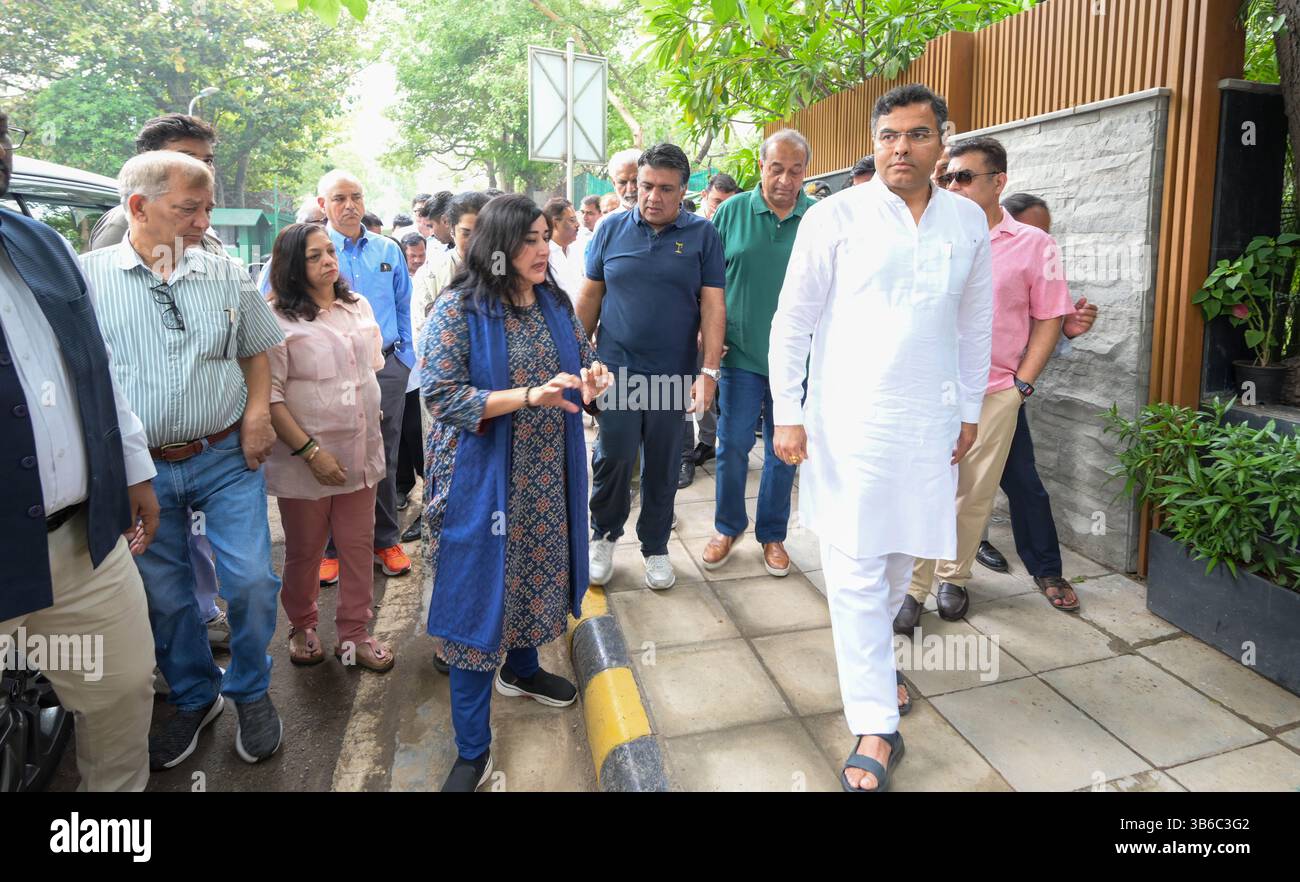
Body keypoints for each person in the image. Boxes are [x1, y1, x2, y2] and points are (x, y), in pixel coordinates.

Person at [769, 84, 993, 791]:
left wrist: (965, 410)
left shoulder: (967, 223)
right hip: (851, 425)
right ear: (874, 142)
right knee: (858, 573)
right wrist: (787, 410)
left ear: (942, 142)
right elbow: (793, 320)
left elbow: (975, 322)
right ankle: (875, 723)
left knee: (903, 559)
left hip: (927, 426)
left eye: (917, 135)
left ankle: (876, 669)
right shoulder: (835, 216)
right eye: (889, 135)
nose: (902, 147)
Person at [82, 150, 286, 769]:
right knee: (166, 596)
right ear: (139, 208)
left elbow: (257, 350)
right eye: (188, 209)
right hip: (140, 471)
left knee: (250, 579)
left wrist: (256, 414)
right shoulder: (86, 281)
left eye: (206, 208)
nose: (202, 222)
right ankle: (197, 695)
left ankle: (249, 688)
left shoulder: (223, 273)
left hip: (223, 455)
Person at [421, 194, 610, 790]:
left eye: (544, 236)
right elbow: (442, 397)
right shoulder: (460, 308)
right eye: (528, 239)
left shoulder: (553, 301)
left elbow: (581, 369)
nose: (543, 247)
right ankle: (473, 750)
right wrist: (530, 395)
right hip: (480, 482)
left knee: (534, 575)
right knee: (477, 606)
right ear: (497, 247)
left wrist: (592, 382)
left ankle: (523, 670)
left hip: (547, 474)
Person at [0, 110, 158, 790]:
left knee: (122, 699)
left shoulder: (41, 246)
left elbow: (98, 367)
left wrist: (133, 469)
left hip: (81, 548)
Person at [902, 136, 1076, 627]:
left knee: (973, 491)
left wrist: (1021, 386)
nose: (952, 185)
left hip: (996, 391)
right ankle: (912, 589)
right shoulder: (930, 233)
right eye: (947, 177)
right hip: (927, 386)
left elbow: (1050, 318)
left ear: (999, 181)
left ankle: (953, 578)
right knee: (923, 486)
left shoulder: (1035, 245)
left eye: (964, 177)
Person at [88, 113, 229, 657]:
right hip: (142, 442)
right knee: (160, 555)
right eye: (192, 159)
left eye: (208, 161)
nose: (203, 171)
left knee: (201, 546)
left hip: (208, 434)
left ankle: (201, 619)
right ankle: (176, 658)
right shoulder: (118, 236)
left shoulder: (203, 233)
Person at [578, 143, 726, 591]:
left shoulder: (702, 235)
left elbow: (713, 308)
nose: (652, 197)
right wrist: (580, 361)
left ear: (684, 191)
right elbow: (589, 298)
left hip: (671, 376)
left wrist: (709, 373)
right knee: (615, 458)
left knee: (663, 466)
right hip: (617, 372)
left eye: (665, 189)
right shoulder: (609, 230)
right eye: (645, 186)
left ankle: (656, 547)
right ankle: (603, 535)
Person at [261, 169, 416, 583]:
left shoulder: (387, 248)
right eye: (339, 198)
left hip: (381, 366)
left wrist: (405, 356)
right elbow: (269, 304)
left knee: (380, 457)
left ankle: (385, 539)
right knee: (322, 456)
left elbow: (403, 304)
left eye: (357, 197)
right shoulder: (302, 247)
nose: (350, 205)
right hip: (314, 375)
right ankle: (329, 548)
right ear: (322, 204)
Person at [264, 224, 395, 672]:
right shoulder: (278, 319)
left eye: (329, 252)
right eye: (314, 255)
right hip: (307, 461)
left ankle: (355, 633)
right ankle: (302, 625)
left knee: (358, 547)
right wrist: (311, 453)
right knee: (306, 550)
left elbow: (370, 371)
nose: (328, 261)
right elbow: (271, 397)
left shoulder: (355, 305)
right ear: (292, 267)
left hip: (361, 451)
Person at [971, 193, 1100, 600]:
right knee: (952, 483)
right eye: (1033, 228)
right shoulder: (972, 250)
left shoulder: (1039, 258)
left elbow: (1042, 332)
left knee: (1023, 482)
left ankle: (1047, 570)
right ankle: (964, 552)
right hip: (949, 391)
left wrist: (1066, 331)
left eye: (1047, 231)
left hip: (1002, 395)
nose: (1042, 238)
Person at [700, 129, 815, 579]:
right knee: (732, 445)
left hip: (797, 363)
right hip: (742, 355)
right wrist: (706, 334)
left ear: (805, 171)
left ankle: (773, 535)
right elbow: (705, 281)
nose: (785, 179)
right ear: (761, 168)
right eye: (776, 168)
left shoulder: (819, 217)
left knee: (786, 451)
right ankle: (727, 527)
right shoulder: (730, 213)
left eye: (795, 170)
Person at [396, 231, 429, 530]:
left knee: (419, 437)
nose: (417, 261)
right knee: (401, 438)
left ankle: (427, 504)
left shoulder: (429, 278)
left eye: (421, 255)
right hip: (398, 371)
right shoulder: (397, 281)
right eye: (411, 256)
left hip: (420, 373)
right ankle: (400, 488)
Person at [419, 190, 489, 316]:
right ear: (452, 230)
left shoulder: (501, 266)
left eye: (482, 232)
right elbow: (421, 328)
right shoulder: (431, 272)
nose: (474, 240)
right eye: (466, 233)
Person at [542, 196, 583, 302]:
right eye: (572, 220)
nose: (578, 224)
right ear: (555, 223)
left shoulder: (576, 249)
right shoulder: (544, 255)